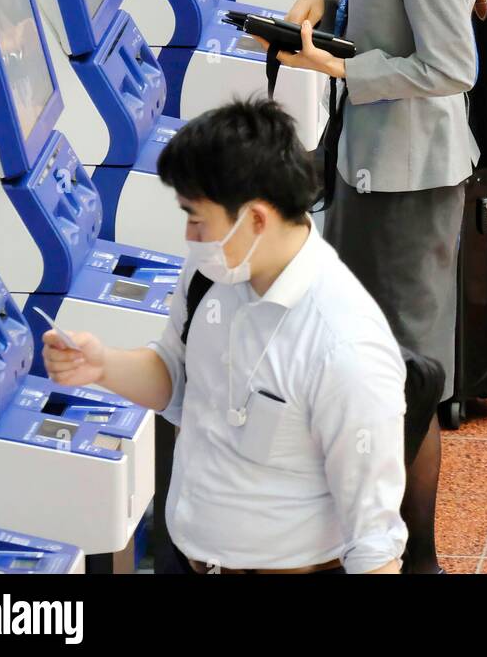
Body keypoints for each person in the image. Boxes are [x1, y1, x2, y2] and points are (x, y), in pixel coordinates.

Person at [41, 99, 407, 576]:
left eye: (197, 218)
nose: (190, 235)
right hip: (188, 555)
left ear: (255, 218)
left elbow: (374, 540)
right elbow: (176, 375)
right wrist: (104, 366)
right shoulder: (212, 274)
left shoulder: (343, 344)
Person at [282, 0, 477, 574]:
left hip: (411, 180)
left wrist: (344, 67)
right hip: (371, 161)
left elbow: (449, 64)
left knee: (405, 375)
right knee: (375, 361)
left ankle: (418, 556)